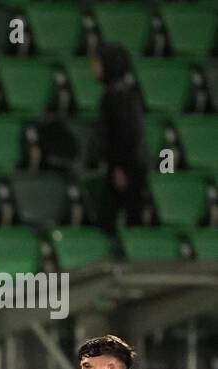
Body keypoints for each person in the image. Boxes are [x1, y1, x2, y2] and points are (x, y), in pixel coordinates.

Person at [93, 43, 149, 231]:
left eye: (97, 63)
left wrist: (119, 167)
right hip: (132, 164)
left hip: (126, 165)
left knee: (113, 217)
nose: (94, 68)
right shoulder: (130, 91)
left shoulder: (115, 97)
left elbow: (124, 134)